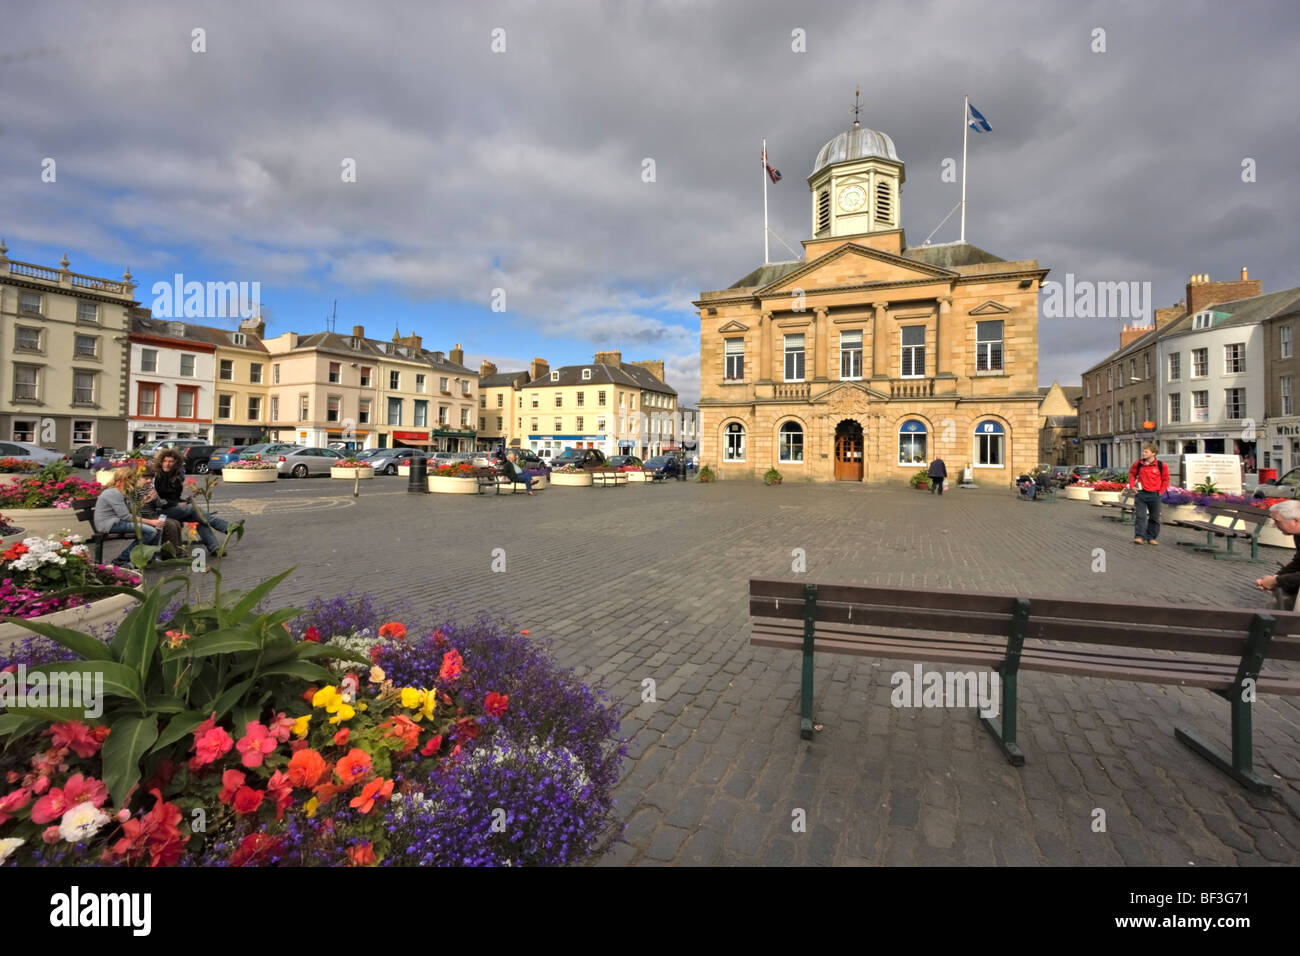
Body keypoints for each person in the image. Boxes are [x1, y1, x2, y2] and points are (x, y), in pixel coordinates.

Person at [151, 448, 243, 556]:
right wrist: (176, 504)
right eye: (165, 461)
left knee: (200, 519)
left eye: (170, 461)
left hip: (173, 509)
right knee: (193, 510)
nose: (167, 464)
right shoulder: (157, 477)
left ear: (176, 463)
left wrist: (183, 501)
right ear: (160, 462)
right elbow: (158, 499)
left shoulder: (175, 477)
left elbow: (174, 497)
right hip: (160, 510)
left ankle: (215, 549)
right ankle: (225, 527)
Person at [93, 467, 183, 566]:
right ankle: (122, 559)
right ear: (126, 479)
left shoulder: (122, 492)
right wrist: (151, 522)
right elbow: (126, 516)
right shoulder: (114, 493)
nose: (135, 481)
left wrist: (145, 501)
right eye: (134, 479)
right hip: (110, 524)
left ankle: (149, 558)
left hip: (117, 521)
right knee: (151, 531)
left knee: (157, 529)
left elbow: (131, 511)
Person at [1257, 500, 1300, 609]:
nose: (1275, 525)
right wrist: (1276, 577)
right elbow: (1298, 562)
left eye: (1278, 521)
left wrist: (1276, 581)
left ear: (1295, 521)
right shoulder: (1297, 534)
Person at [1128, 443, 1170, 545]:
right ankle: (1139, 537)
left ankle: (1151, 537)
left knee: (1154, 518)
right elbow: (1132, 474)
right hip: (1141, 494)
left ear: (1153, 453)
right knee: (1140, 516)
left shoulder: (1161, 465)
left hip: (1155, 495)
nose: (1143, 453)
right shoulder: (1138, 464)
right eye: (1143, 451)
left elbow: (1165, 479)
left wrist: (1160, 491)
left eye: (1146, 451)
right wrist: (1132, 485)